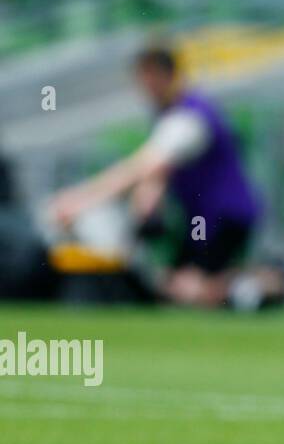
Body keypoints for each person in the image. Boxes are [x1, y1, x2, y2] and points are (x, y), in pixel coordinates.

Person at [48, 45, 272, 308]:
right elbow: (157, 173)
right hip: (201, 219)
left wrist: (81, 200)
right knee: (175, 286)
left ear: (169, 76)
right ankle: (253, 286)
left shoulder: (189, 119)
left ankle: (269, 284)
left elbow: (143, 166)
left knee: (191, 289)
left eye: (151, 78)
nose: (146, 88)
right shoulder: (170, 117)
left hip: (224, 218)